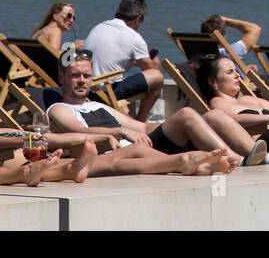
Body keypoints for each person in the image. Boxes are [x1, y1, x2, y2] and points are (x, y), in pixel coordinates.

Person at [0, 72, 226, 178]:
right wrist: (29, 141)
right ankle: (183, 162)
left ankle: (186, 164)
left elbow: (41, 141)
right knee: (116, 163)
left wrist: (39, 143)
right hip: (25, 171)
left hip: (42, 162)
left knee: (128, 154)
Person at [47, 53, 243, 172]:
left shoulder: (98, 106)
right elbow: (78, 131)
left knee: (189, 115)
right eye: (75, 76)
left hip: (143, 148)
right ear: (62, 77)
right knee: (177, 123)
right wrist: (120, 132)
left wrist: (173, 125)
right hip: (118, 155)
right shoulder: (58, 109)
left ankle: (239, 159)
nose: (82, 80)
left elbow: (142, 127)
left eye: (86, 76)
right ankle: (216, 163)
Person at [83, 0, 163, 122]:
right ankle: (140, 121)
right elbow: (151, 70)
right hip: (105, 90)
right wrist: (154, 60)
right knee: (157, 77)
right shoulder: (134, 37)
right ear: (138, 18)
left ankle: (126, 115)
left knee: (124, 102)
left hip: (87, 87)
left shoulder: (100, 26)